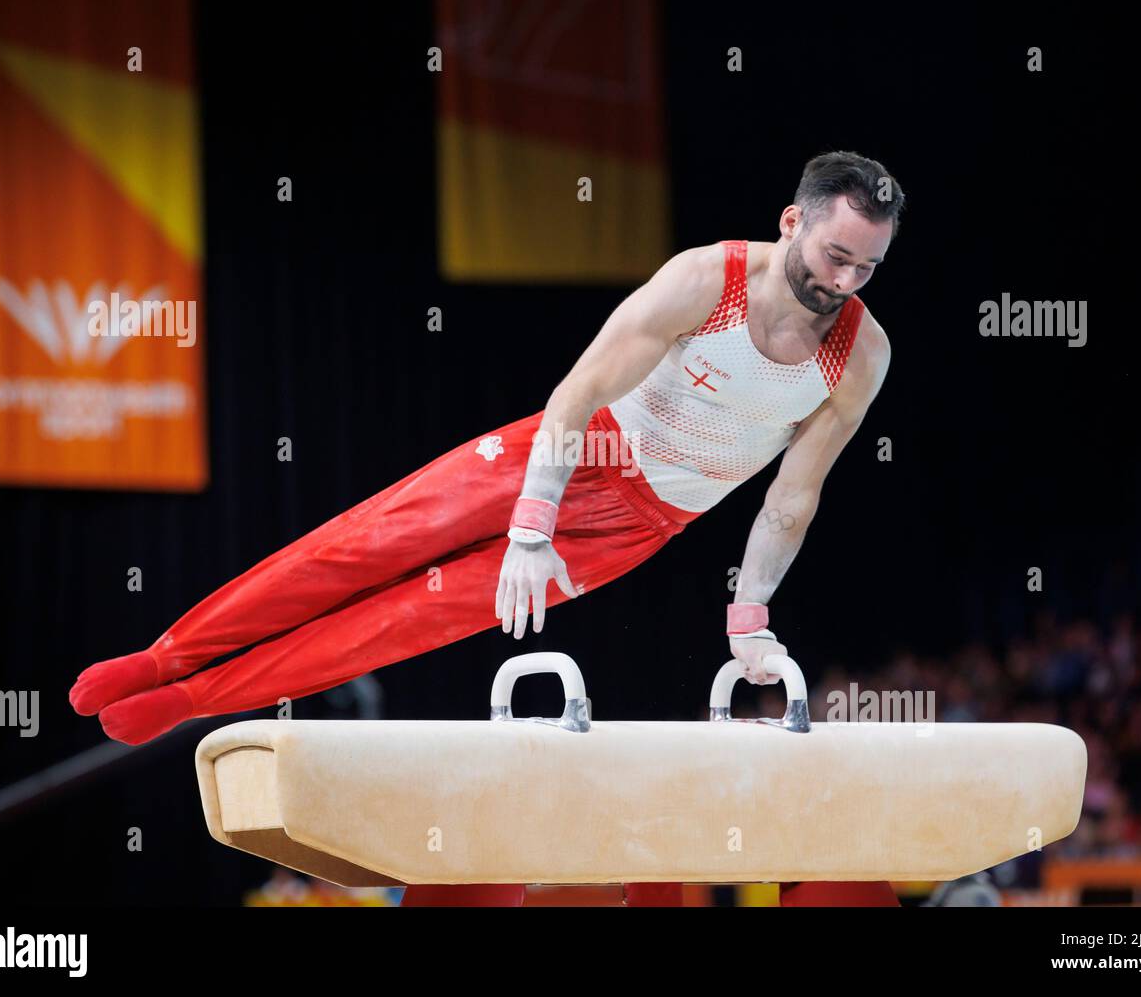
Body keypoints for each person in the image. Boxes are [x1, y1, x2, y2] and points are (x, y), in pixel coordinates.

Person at [70, 150, 906, 907]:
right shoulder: (705, 281)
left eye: (868, 266)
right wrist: (533, 522)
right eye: (837, 256)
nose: (846, 282)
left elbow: (793, 497)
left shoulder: (861, 356)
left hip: (635, 528)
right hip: (568, 453)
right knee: (361, 548)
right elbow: (577, 394)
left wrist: (750, 616)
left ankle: (187, 700)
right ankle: (164, 655)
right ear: (792, 220)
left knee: (393, 626)